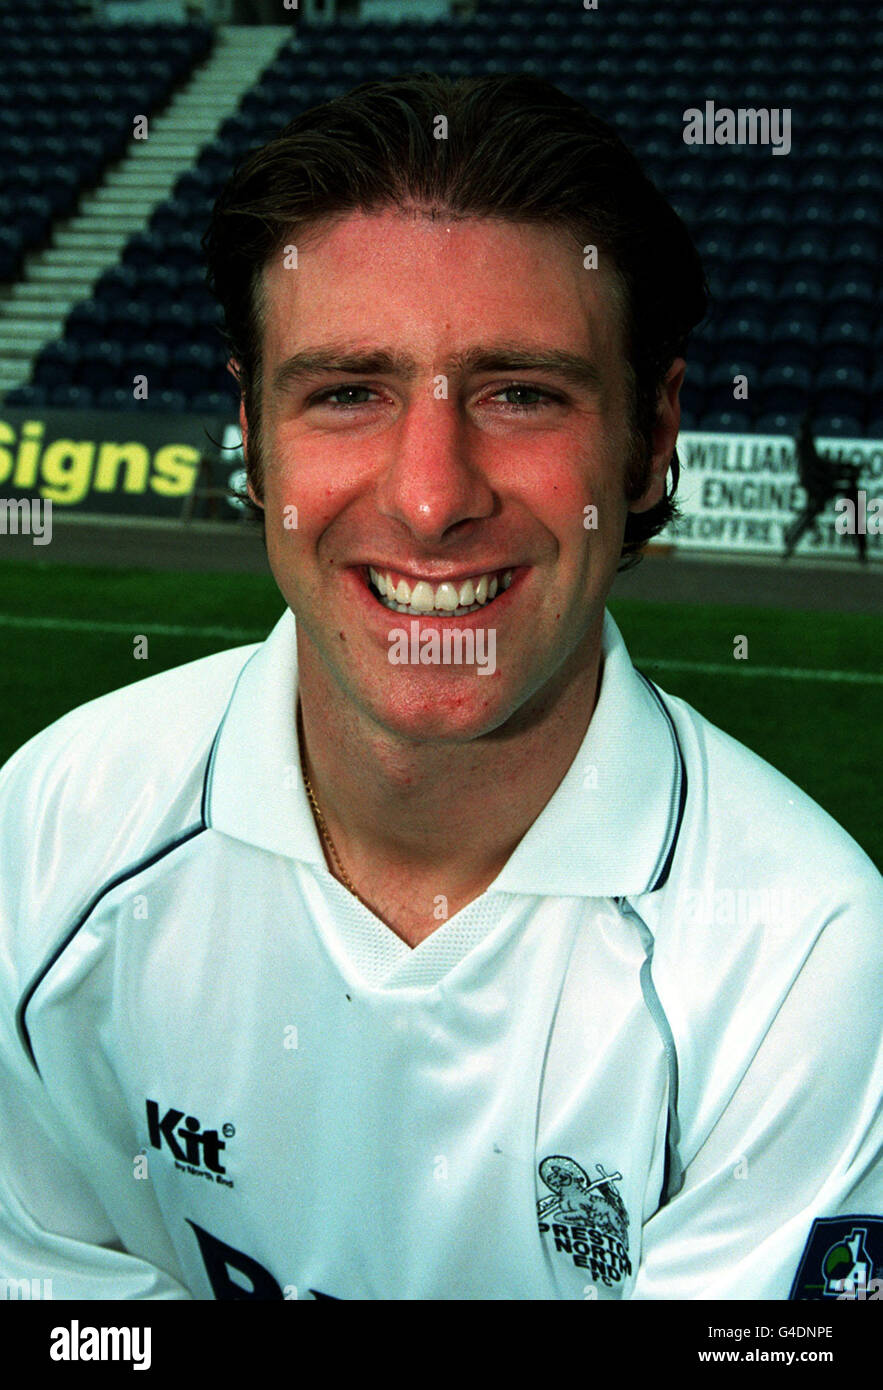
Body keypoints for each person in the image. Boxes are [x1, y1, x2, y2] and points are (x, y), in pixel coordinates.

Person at [0, 74, 880, 1302]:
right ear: (250, 433)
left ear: (650, 435)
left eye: (521, 392)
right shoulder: (46, 831)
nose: (429, 495)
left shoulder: (812, 960)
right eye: (348, 391)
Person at [783, 413, 867, 562]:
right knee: (852, 502)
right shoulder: (805, 442)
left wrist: (841, 468)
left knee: (812, 512)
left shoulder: (803, 441)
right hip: (817, 482)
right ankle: (862, 549)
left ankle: (790, 542)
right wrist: (842, 469)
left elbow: (817, 463)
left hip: (816, 480)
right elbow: (816, 465)